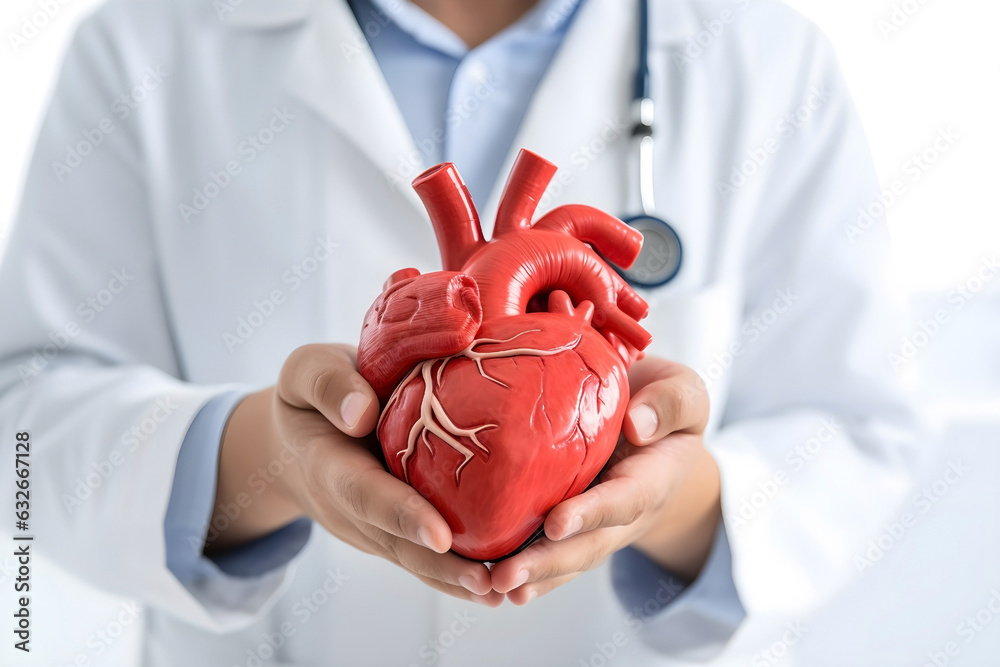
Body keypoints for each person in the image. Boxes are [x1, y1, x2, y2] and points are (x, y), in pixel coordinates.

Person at [0, 0, 921, 664]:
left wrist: (673, 500)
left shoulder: (766, 57)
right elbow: (24, 426)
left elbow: (857, 438)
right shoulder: (144, 42)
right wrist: (258, 457)